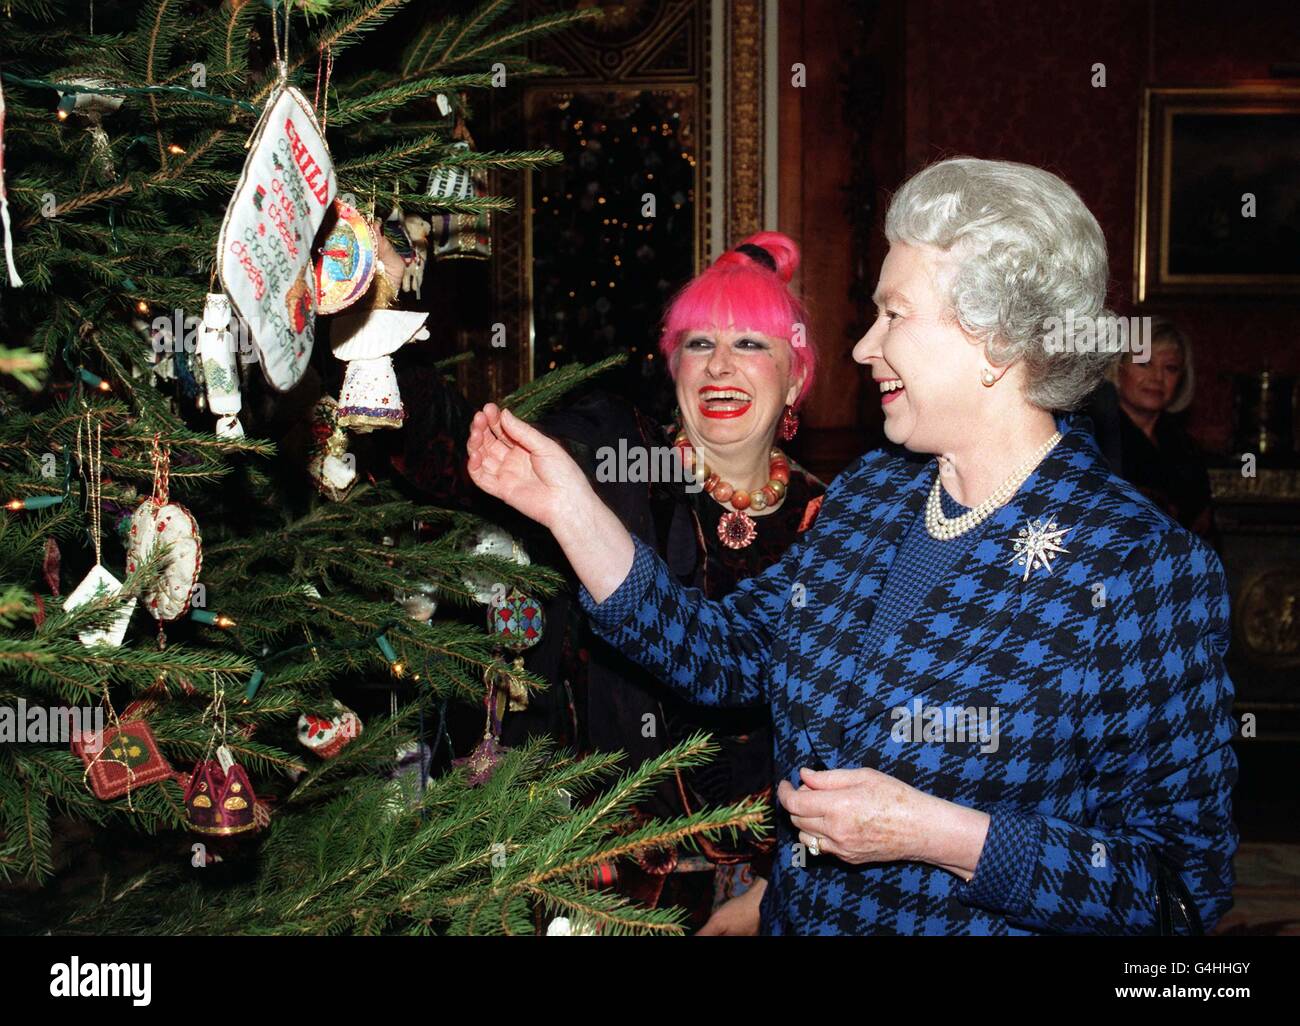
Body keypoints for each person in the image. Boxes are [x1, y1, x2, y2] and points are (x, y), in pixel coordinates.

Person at [467, 158, 1238, 935]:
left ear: (996, 341)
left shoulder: (1138, 568)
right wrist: (569, 508)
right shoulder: (876, 494)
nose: (865, 347)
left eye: (895, 316)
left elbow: (1177, 893)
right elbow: (727, 654)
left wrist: (939, 836)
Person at [501, 232, 825, 935]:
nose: (719, 367)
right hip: (603, 881)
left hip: (776, 889)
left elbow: (851, 729)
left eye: (751, 345)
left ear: (795, 377)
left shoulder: (832, 522)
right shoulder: (622, 474)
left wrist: (775, 890)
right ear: (672, 365)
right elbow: (505, 455)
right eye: (699, 344)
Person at [1106, 319, 1214, 539]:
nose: (1157, 378)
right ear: (1118, 368)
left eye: (1170, 368)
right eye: (1144, 363)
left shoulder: (1187, 449)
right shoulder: (1091, 438)